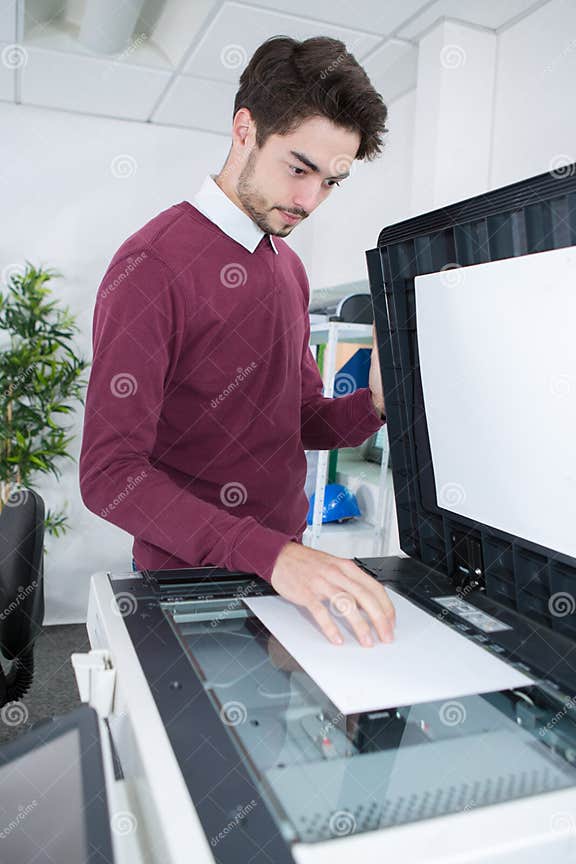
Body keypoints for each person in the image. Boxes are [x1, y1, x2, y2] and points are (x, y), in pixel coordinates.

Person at [79, 35, 396, 648]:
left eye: (332, 181)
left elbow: (303, 421)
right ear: (245, 129)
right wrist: (273, 554)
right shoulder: (152, 264)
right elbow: (108, 474)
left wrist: (377, 404)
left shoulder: (288, 268)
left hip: (281, 574)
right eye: (299, 168)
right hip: (187, 585)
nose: (310, 201)